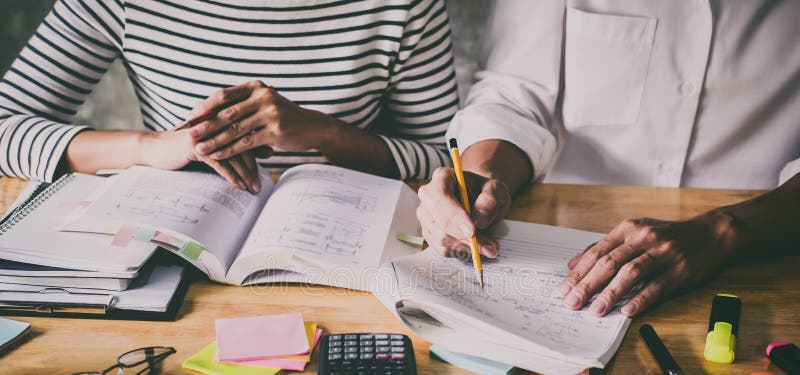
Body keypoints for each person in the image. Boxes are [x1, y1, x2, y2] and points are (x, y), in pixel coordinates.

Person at [418, 0, 800, 317]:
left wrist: (723, 230)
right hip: (568, 244)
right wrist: (483, 177)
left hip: (766, 246)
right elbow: (512, 97)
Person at [0, 0, 458, 194]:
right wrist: (154, 147)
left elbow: (447, 160)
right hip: (174, 249)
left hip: (347, 255)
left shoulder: (404, 5)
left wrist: (326, 132)